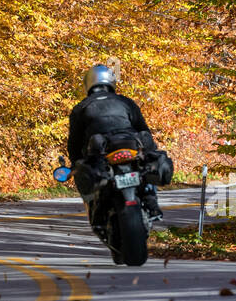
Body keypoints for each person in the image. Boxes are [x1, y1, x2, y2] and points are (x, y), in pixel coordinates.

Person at [67, 64, 170, 230]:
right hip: (130, 145)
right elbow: (143, 129)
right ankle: (151, 203)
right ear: (111, 83)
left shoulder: (81, 107)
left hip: (101, 150)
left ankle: (97, 213)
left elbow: (74, 142)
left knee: (85, 173)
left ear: (88, 84)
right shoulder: (125, 102)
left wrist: (75, 162)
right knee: (147, 163)